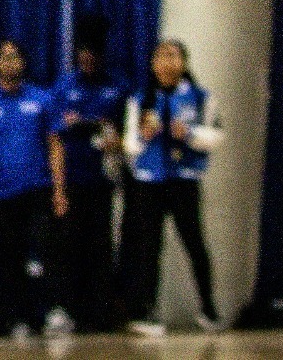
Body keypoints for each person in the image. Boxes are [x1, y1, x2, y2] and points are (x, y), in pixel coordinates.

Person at [120, 40, 224, 336]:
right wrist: (142, 135)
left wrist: (189, 134)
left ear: (184, 62)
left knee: (194, 242)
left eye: (173, 56)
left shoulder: (201, 97)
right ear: (152, 64)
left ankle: (208, 307)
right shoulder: (140, 100)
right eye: (161, 57)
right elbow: (129, 145)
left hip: (184, 180)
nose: (167, 62)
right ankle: (146, 312)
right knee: (148, 247)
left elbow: (216, 134)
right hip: (149, 181)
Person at [0, 40, 67, 340]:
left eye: (15, 57)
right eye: (3, 57)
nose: (9, 62)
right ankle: (13, 319)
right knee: (8, 259)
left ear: (23, 62)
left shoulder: (42, 99)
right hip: (2, 194)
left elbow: (55, 147)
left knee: (39, 255)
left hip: (37, 191)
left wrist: (59, 191)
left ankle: (47, 313)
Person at [53, 18, 128, 334]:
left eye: (93, 54)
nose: (88, 59)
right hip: (72, 179)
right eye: (83, 54)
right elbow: (55, 136)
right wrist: (58, 188)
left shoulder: (118, 87)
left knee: (101, 248)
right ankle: (70, 310)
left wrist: (113, 135)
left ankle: (102, 313)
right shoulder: (64, 87)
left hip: (105, 180)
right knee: (70, 247)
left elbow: (129, 134)